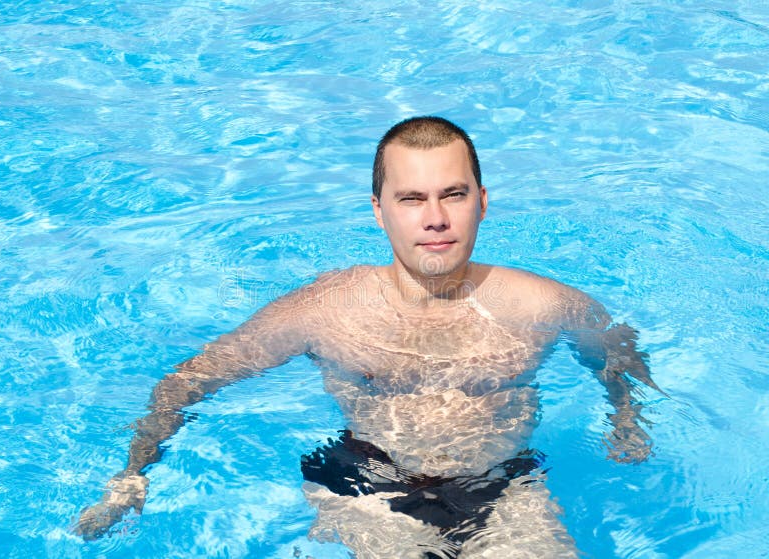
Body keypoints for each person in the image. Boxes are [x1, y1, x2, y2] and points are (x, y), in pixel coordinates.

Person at [76, 116, 661, 558]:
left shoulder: (545, 304)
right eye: (411, 199)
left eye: (453, 195)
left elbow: (614, 351)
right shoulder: (324, 311)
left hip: (504, 486)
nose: (435, 219)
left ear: (481, 203)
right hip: (367, 485)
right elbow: (191, 381)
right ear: (379, 210)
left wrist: (627, 419)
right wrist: (132, 473)